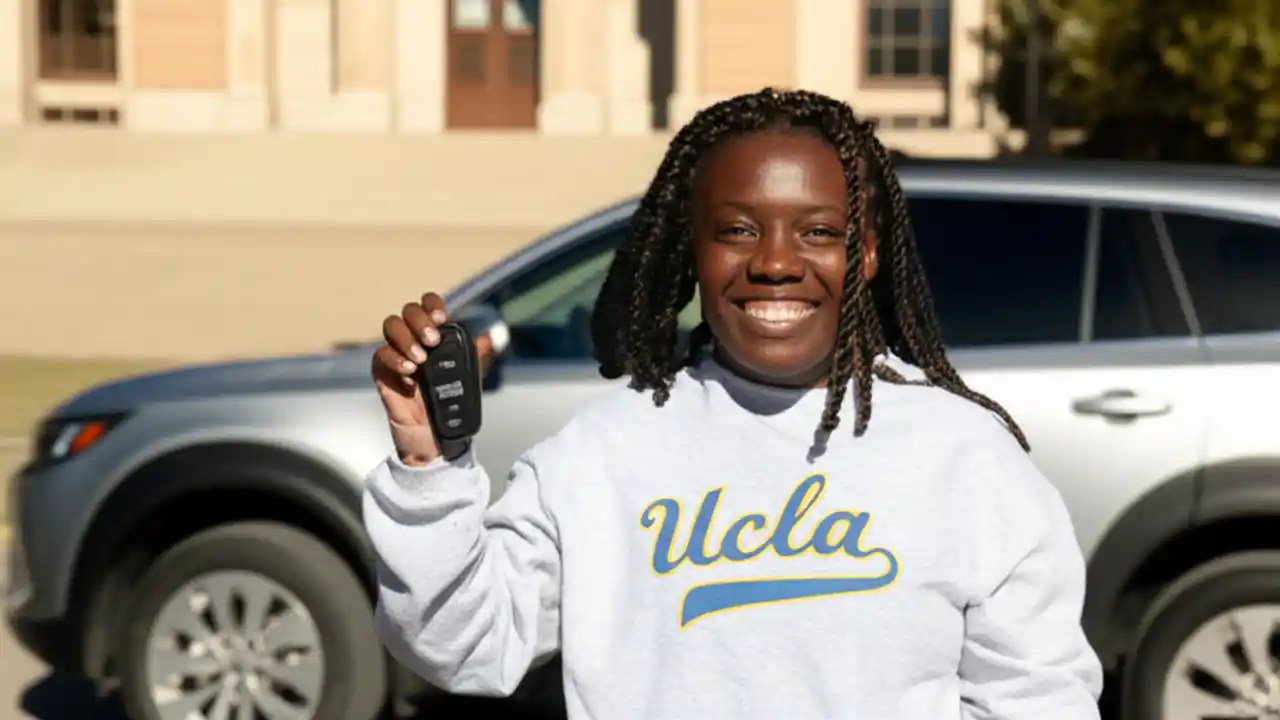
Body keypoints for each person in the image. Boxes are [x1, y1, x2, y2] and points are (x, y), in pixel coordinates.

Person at [363, 87, 1104, 719]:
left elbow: (1039, 698)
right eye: (738, 231)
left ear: (868, 253)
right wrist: (428, 468)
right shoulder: (605, 453)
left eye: (817, 231)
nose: (776, 262)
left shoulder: (966, 457)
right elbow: (462, 646)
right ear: (694, 250)